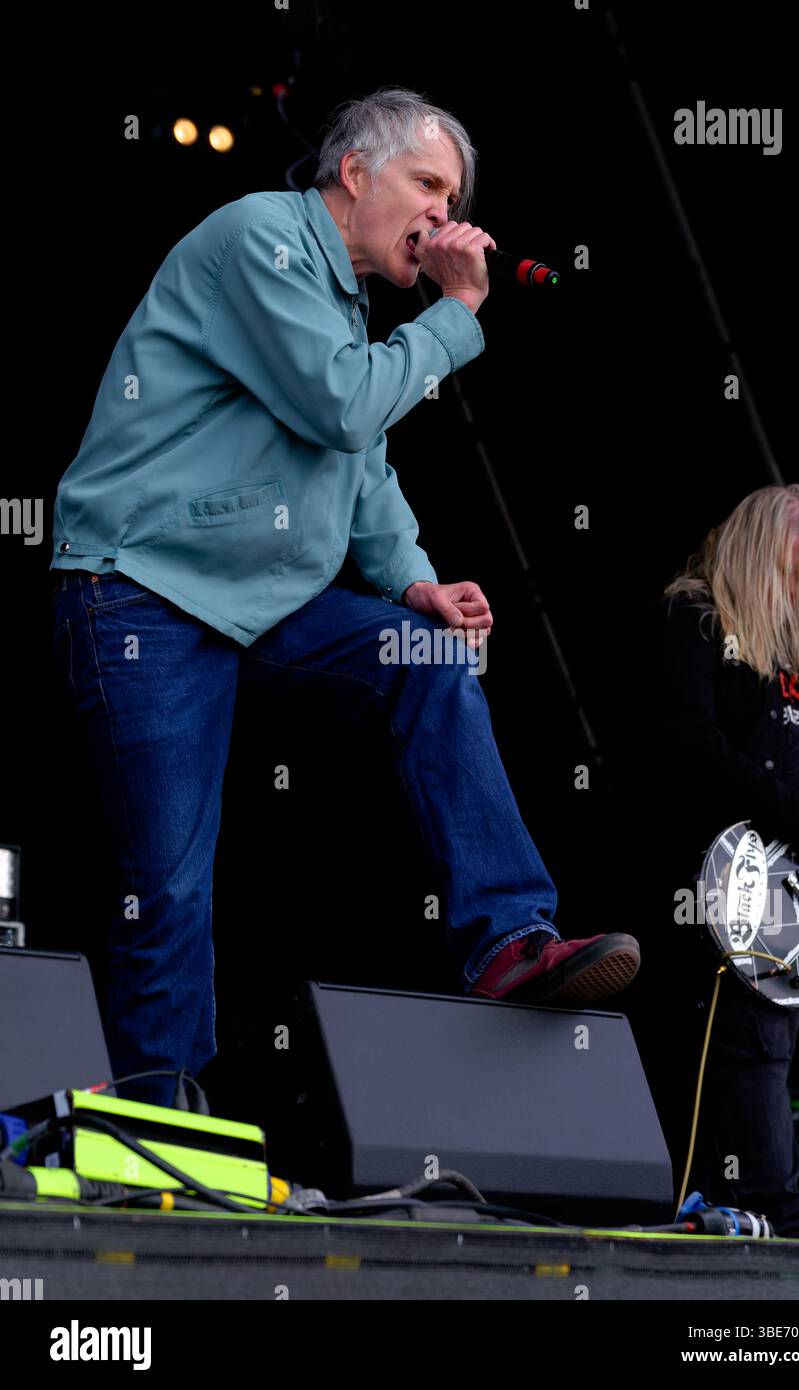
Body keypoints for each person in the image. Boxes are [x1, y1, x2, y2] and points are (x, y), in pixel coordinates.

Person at [49, 87, 639, 1108]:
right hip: (143, 591)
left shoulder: (348, 305)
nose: (443, 213)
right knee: (172, 881)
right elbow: (341, 403)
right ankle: (153, 1122)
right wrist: (457, 315)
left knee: (431, 661)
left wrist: (412, 579)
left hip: (262, 600)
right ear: (353, 174)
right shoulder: (258, 240)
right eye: (426, 184)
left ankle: (508, 938)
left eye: (452, 194)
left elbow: (359, 464)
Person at [636, 483, 799, 1237]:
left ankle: (769, 1215)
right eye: (788, 568)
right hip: (730, 889)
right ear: (755, 556)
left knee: (775, 1049)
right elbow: (690, 747)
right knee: (747, 1049)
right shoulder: (699, 621)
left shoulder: (798, 656)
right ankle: (784, 1221)